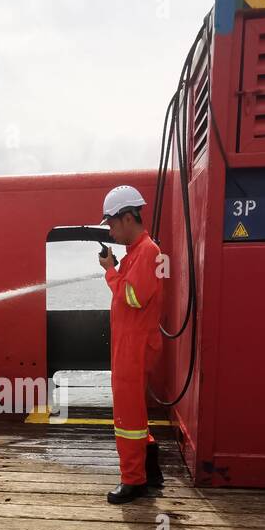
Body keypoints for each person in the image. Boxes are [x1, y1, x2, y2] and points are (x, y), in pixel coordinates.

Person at [98, 184, 165, 504]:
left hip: (134, 348)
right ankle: (151, 471)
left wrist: (110, 271)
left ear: (128, 217)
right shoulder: (138, 253)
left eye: (111, 223)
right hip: (132, 345)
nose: (110, 230)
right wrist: (115, 267)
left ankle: (133, 480)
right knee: (135, 412)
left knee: (128, 418)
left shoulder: (147, 251)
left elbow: (133, 297)